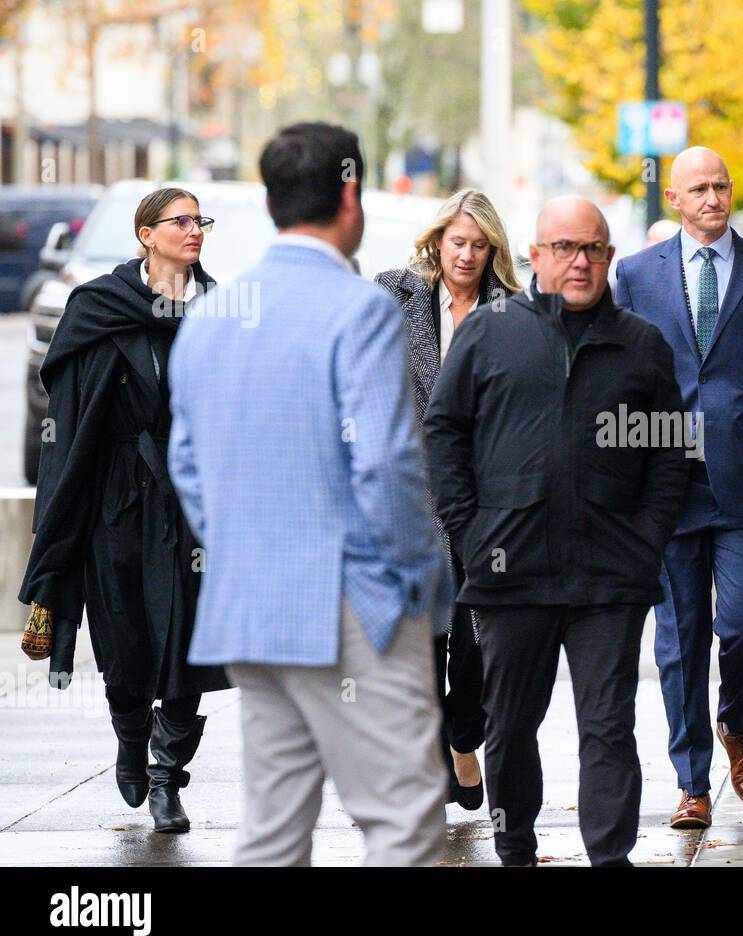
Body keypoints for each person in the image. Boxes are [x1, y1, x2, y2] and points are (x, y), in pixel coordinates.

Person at [167, 122, 454, 866]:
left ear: (269, 203)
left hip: (248, 602)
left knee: (270, 832)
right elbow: (388, 466)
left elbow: (188, 468)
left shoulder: (209, 317)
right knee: (403, 822)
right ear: (350, 194)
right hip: (353, 603)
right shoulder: (358, 309)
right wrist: (423, 582)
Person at [425, 196, 689, 866]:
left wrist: (648, 536)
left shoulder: (641, 345)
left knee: (608, 725)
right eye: (565, 247)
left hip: (611, 576)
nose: (581, 261)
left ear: (610, 258)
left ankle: (610, 856)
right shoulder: (491, 334)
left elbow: (670, 451)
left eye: (594, 248)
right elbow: (444, 432)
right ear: (536, 257)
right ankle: (514, 847)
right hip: (510, 572)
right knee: (509, 727)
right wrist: (471, 535)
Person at [18, 187, 229, 834]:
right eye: (181, 221)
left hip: (192, 505)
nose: (195, 231)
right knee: (126, 642)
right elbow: (67, 406)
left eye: (201, 221)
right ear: (146, 234)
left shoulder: (219, 311)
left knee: (190, 642)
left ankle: (168, 775)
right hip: (116, 498)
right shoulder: (99, 306)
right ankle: (131, 735)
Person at [613, 146, 743, 829]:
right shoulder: (635, 277)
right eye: (697, 188)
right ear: (673, 199)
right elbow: (620, 381)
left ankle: (735, 719)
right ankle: (692, 782)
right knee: (679, 639)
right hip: (666, 488)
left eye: (721, 186)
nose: (712, 198)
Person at [376, 188, 521, 811]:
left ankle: (464, 740)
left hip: (488, 501)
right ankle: (433, 757)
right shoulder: (393, 294)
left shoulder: (515, 311)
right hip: (410, 496)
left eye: (478, 245)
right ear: (437, 241)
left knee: (482, 643)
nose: (466, 254)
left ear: (494, 251)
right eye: (457, 241)